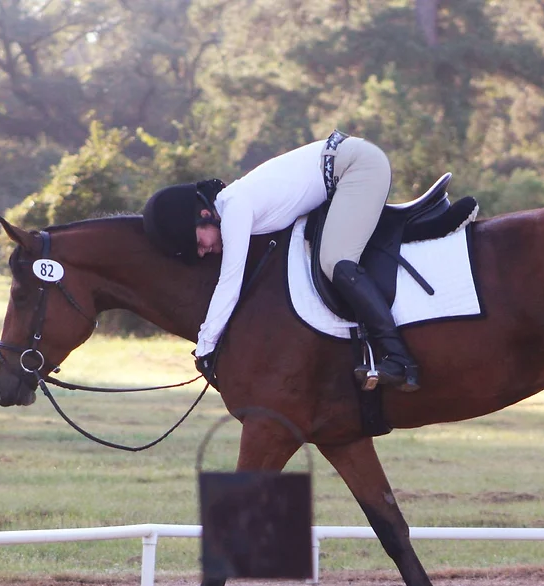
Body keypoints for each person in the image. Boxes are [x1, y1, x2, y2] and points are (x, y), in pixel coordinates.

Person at [144, 131, 419, 392]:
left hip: (357, 166)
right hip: (344, 165)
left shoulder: (235, 209)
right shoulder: (237, 203)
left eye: (197, 244)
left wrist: (205, 346)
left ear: (205, 214)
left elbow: (230, 282)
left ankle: (399, 359)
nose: (202, 252)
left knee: (335, 259)